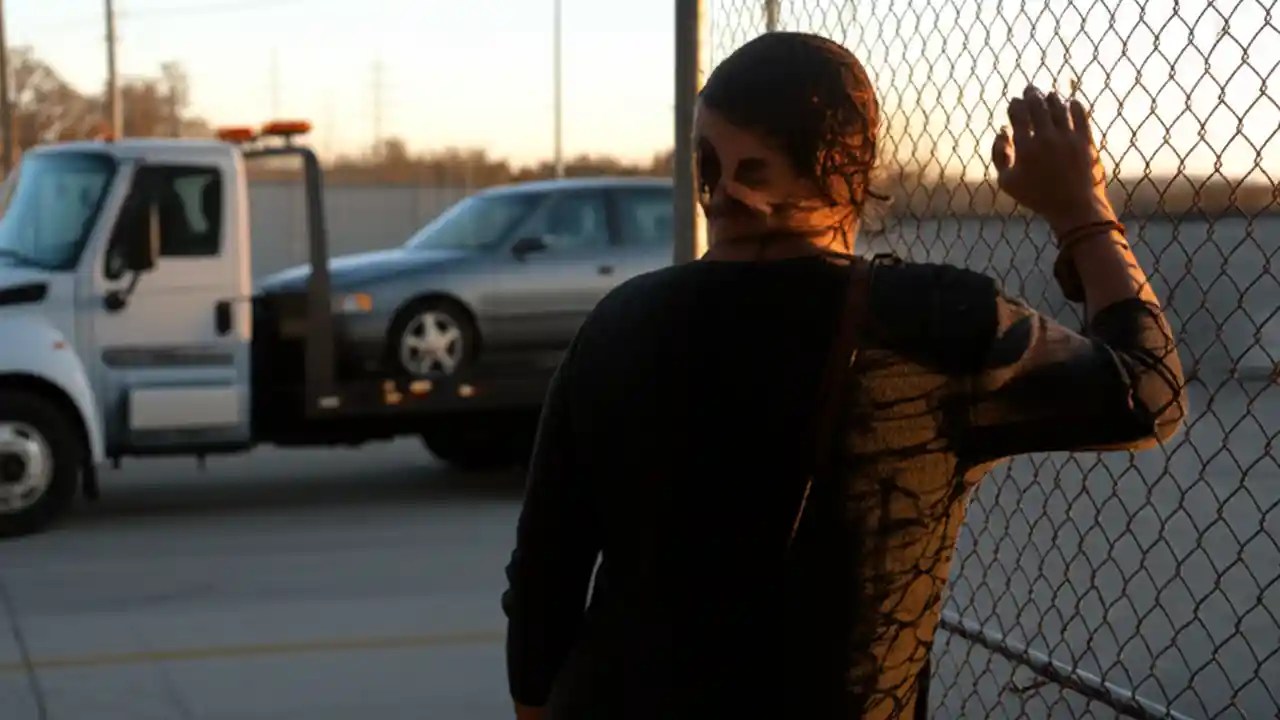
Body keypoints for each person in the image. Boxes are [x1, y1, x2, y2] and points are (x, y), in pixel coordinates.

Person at [502, 32, 1185, 720]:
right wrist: (1080, 211)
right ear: (848, 168)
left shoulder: (618, 321)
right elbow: (1148, 393)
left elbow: (543, 576)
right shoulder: (928, 321)